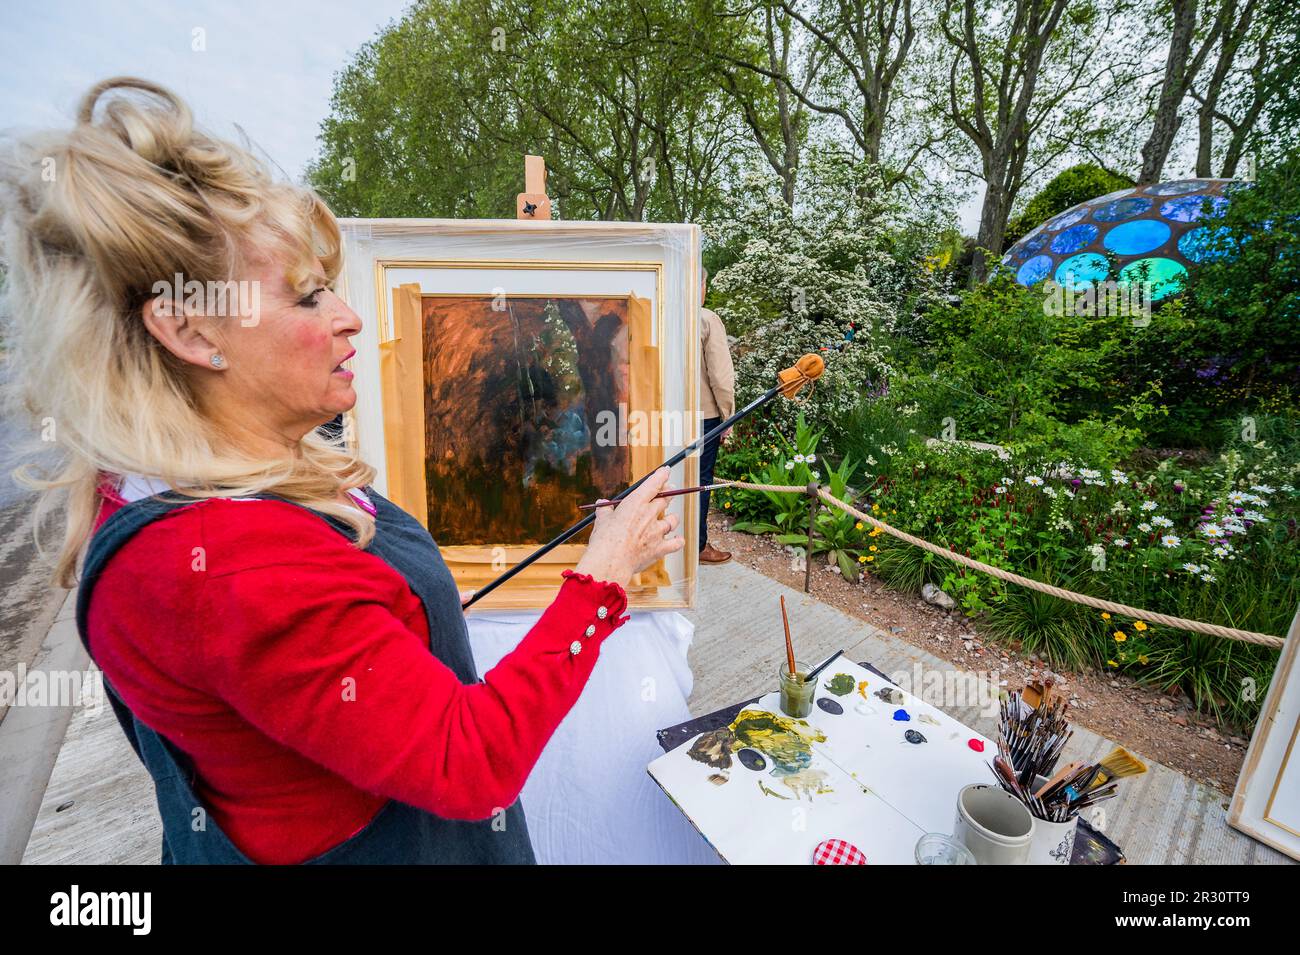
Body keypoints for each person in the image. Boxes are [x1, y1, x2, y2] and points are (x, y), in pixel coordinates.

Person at [0, 77, 684, 865]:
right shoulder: (220, 568)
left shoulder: (190, 469)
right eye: (307, 296)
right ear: (188, 329)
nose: (349, 314)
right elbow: (474, 761)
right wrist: (603, 574)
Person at [698, 268, 736, 564]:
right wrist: (728, 417)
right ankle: (698, 547)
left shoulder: (661, 315)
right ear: (699, 284)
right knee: (700, 481)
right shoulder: (706, 318)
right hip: (704, 415)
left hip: (665, 414)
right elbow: (720, 377)